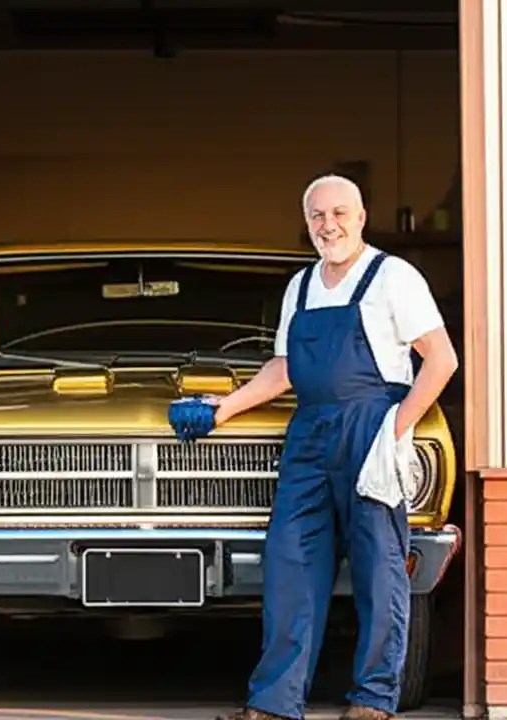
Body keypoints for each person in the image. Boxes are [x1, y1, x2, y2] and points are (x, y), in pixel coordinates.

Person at [205, 175, 459, 720]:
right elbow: (284, 370)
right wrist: (221, 408)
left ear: (362, 217)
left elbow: (441, 359)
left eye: (340, 213)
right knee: (290, 562)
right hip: (310, 434)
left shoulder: (394, 277)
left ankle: (372, 701)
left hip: (372, 427)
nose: (330, 225)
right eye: (318, 216)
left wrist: (397, 429)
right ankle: (274, 703)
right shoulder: (300, 288)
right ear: (308, 224)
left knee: (379, 567)